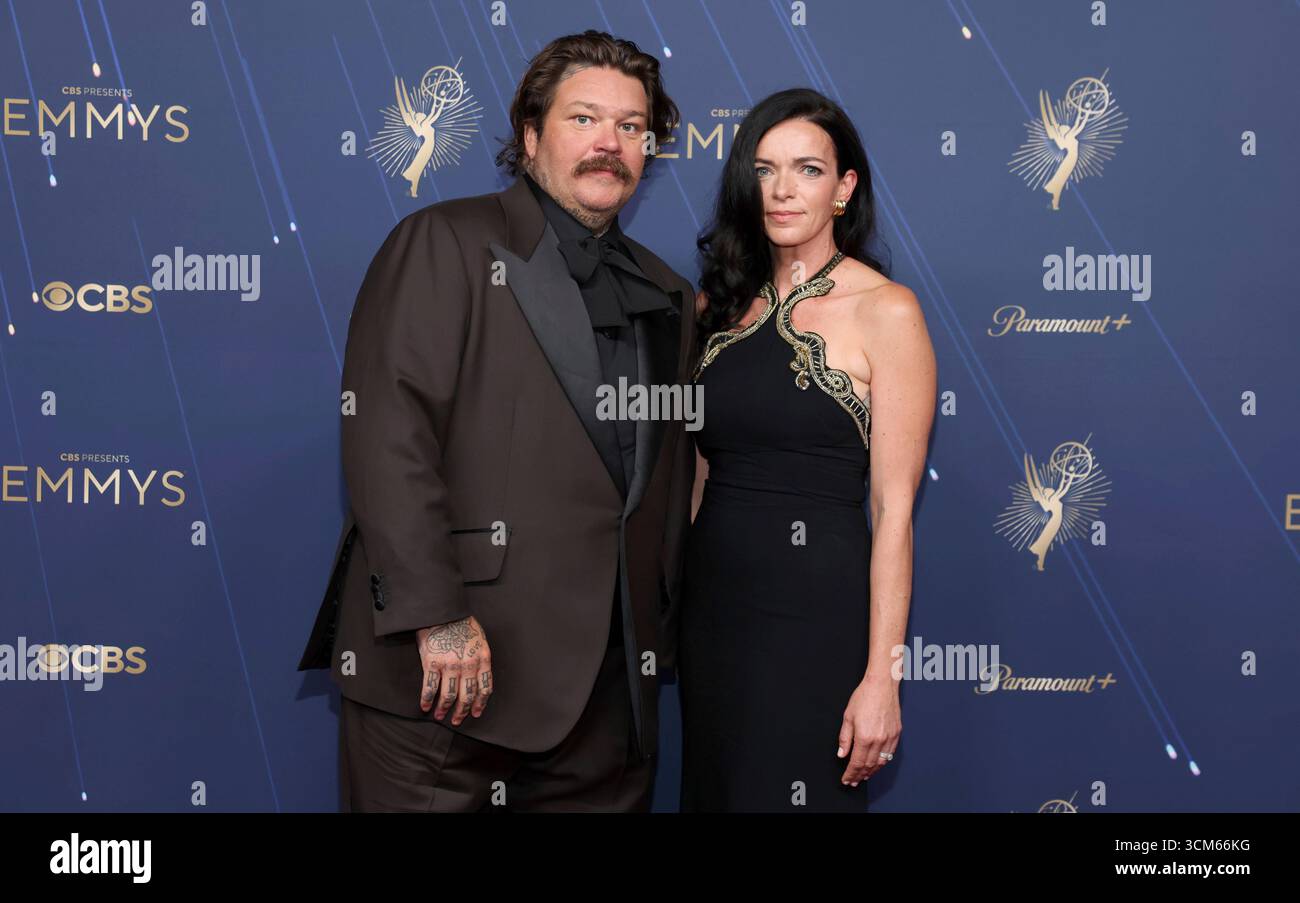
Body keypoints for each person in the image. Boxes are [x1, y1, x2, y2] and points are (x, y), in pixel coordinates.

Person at [297, 30, 697, 812]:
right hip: (451, 689)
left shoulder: (666, 293)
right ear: (529, 135)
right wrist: (437, 616)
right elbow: (388, 435)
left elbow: (656, 483)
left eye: (630, 126)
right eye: (584, 119)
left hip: (608, 711)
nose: (608, 144)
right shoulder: (445, 241)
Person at [678, 88, 936, 812]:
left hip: (814, 615)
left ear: (844, 188)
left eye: (808, 170)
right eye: (764, 169)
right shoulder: (718, 308)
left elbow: (893, 510)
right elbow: (698, 474)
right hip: (713, 613)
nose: (783, 190)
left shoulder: (886, 310)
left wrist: (883, 676)